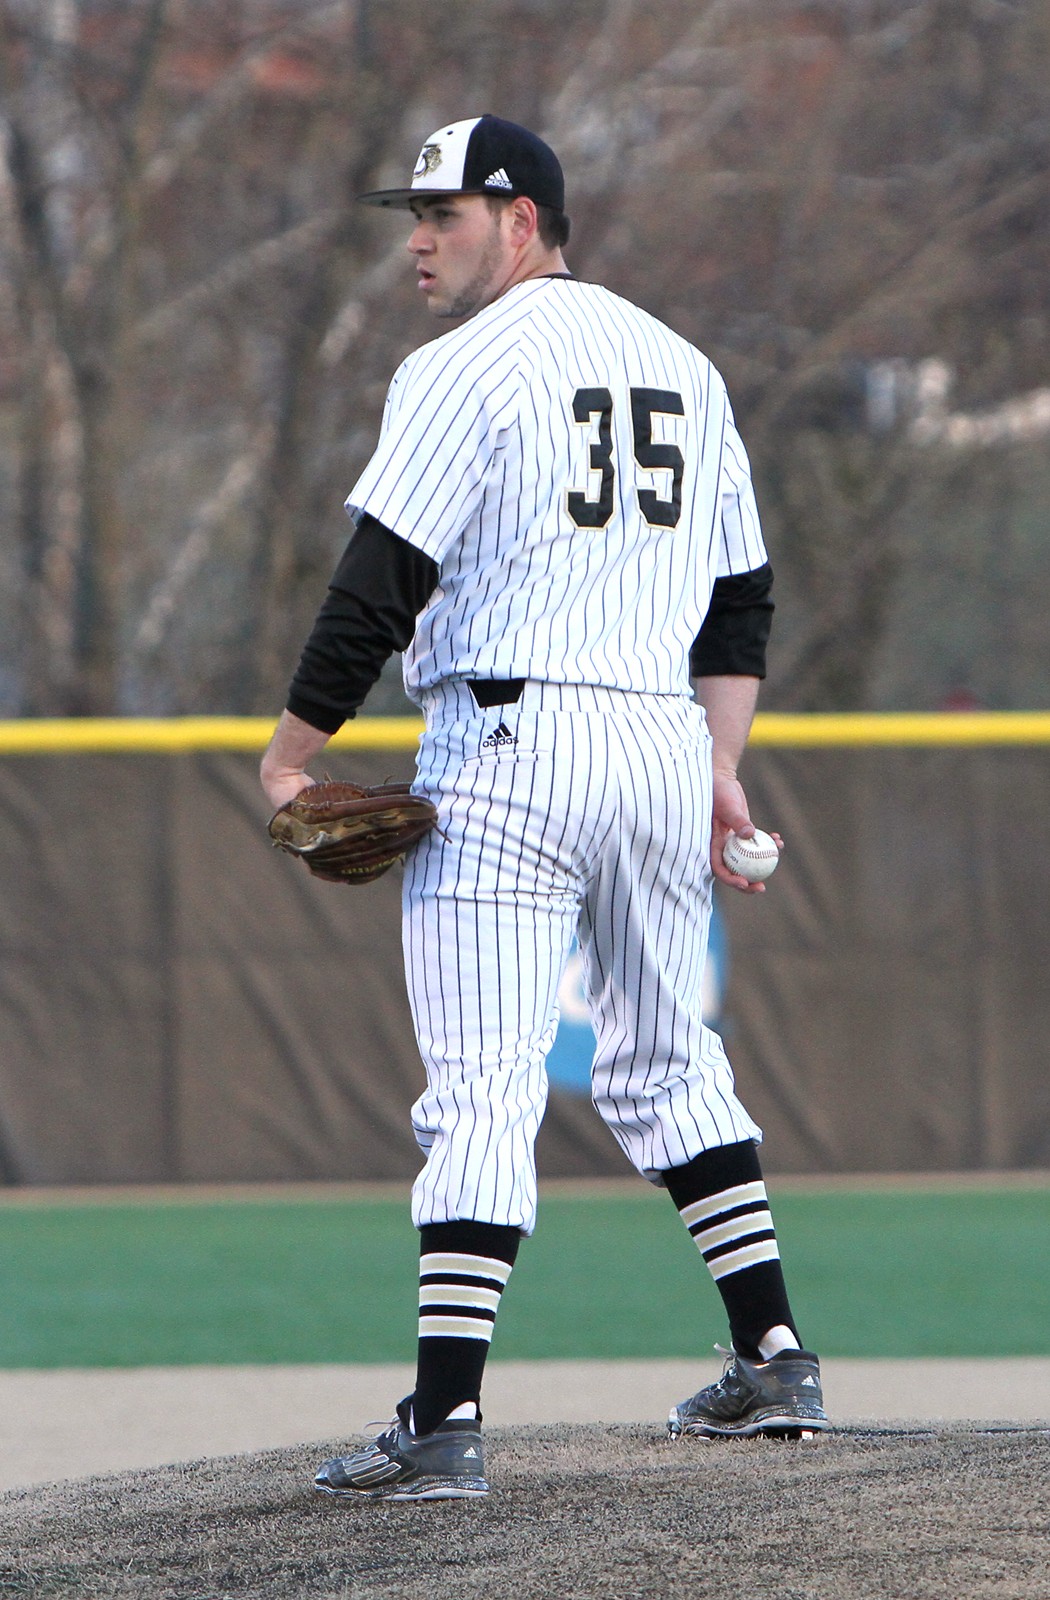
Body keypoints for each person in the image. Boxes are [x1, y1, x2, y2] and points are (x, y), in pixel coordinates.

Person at [260, 114, 829, 1502]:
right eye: (415, 215)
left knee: (483, 1085)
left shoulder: (463, 365)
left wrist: (292, 753)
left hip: (508, 745)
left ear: (521, 221)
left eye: (444, 214)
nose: (419, 240)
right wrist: (719, 765)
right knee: (668, 1058)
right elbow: (741, 595)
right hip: (657, 740)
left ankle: (444, 1420)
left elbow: (382, 573)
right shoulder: (685, 366)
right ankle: (774, 1356)